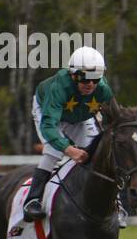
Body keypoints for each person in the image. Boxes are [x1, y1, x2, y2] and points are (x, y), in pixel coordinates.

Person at [22, 46, 115, 221]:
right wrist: (69, 149)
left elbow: (112, 120)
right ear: (72, 74)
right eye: (84, 78)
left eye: (95, 79)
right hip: (48, 112)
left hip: (79, 116)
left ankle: (110, 202)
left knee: (95, 152)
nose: (90, 84)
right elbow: (48, 126)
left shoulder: (103, 90)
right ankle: (32, 200)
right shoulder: (58, 87)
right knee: (54, 151)